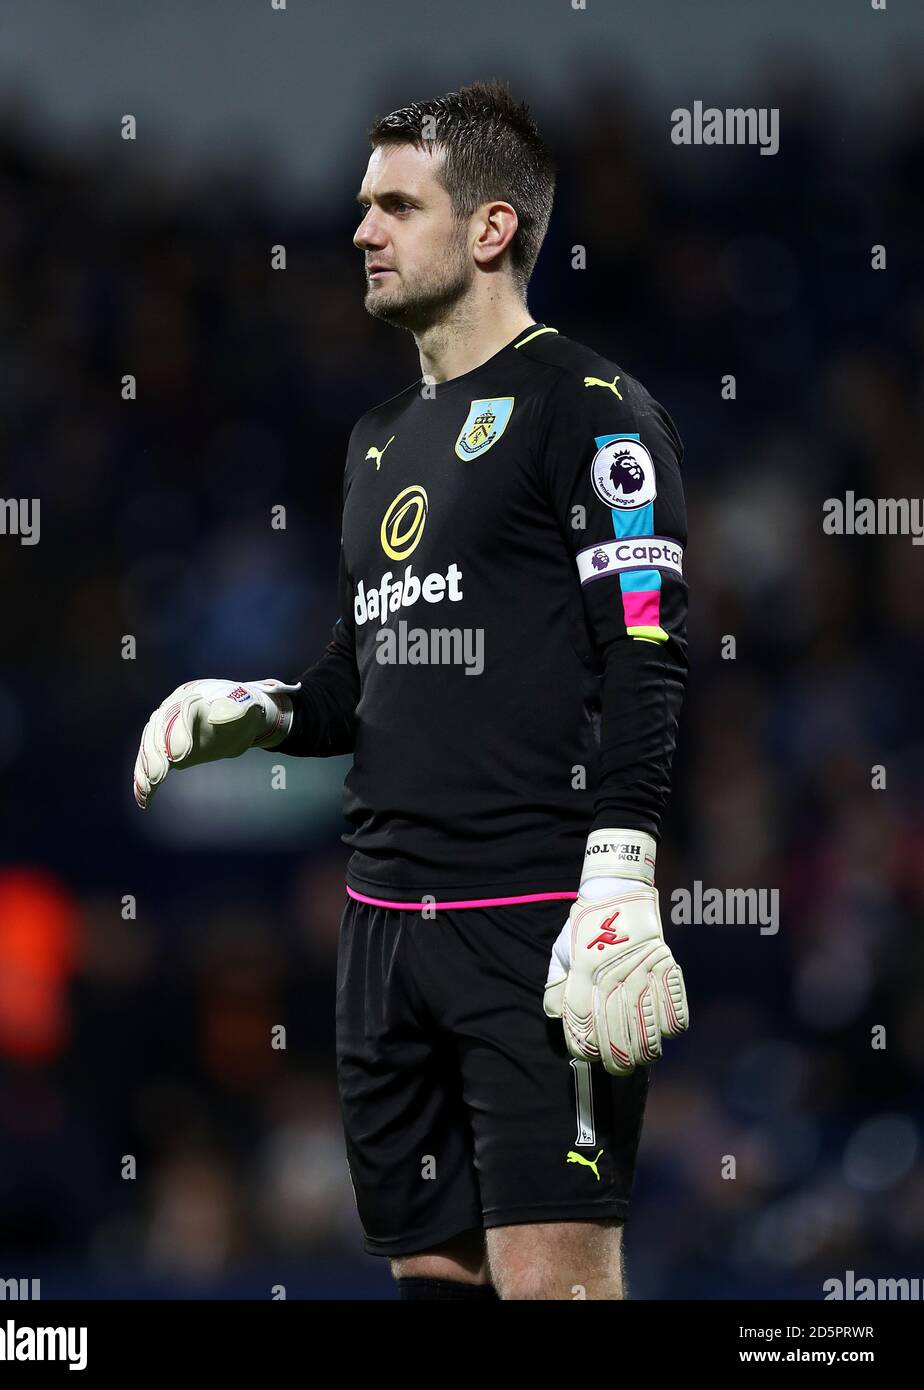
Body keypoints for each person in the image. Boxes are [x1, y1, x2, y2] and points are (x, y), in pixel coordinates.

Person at [133, 79, 690, 1300]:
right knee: (431, 1285)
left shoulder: (591, 410)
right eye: (362, 204)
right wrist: (266, 710)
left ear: (490, 228)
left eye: (396, 205)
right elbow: (360, 679)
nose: (361, 230)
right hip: (382, 928)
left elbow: (644, 648)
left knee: (554, 1284)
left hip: (534, 913)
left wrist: (621, 871)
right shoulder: (377, 438)